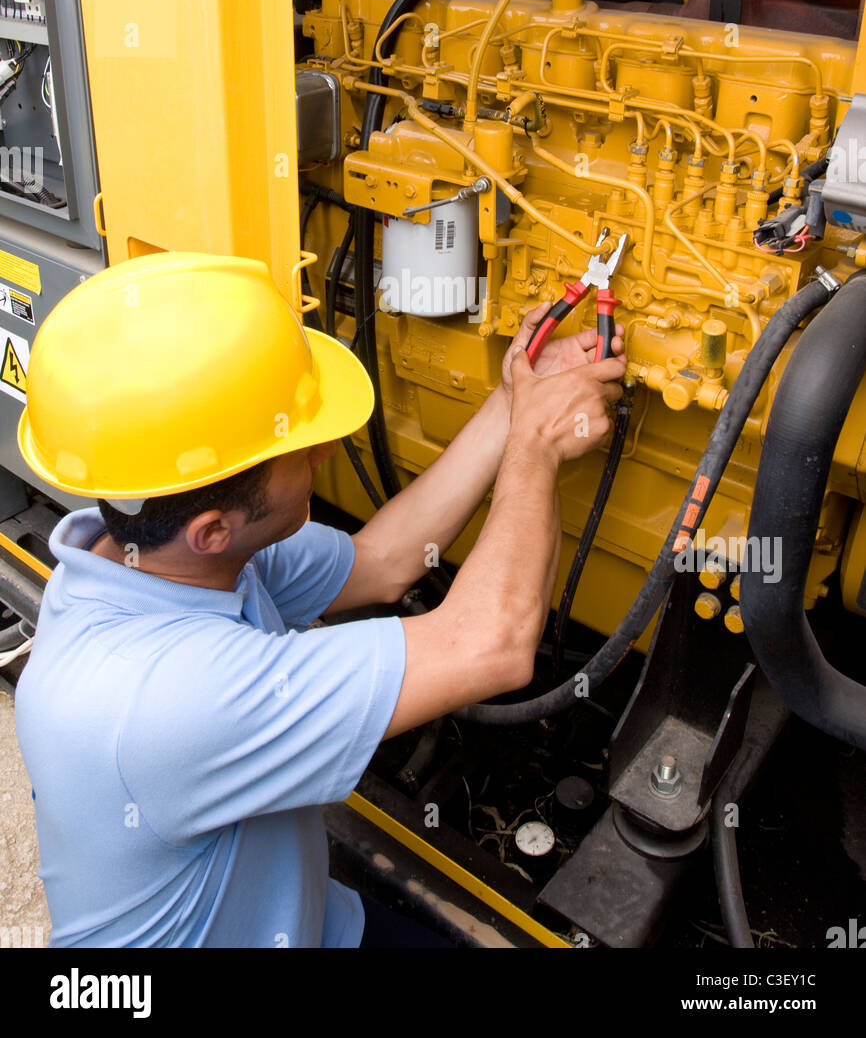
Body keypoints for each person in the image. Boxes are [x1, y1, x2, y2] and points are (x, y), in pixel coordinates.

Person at [14, 250, 625, 947]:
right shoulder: (169, 699)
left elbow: (385, 560)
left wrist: (516, 397)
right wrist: (537, 444)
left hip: (308, 921)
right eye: (300, 451)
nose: (325, 453)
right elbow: (490, 644)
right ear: (212, 529)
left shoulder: (143, 560)